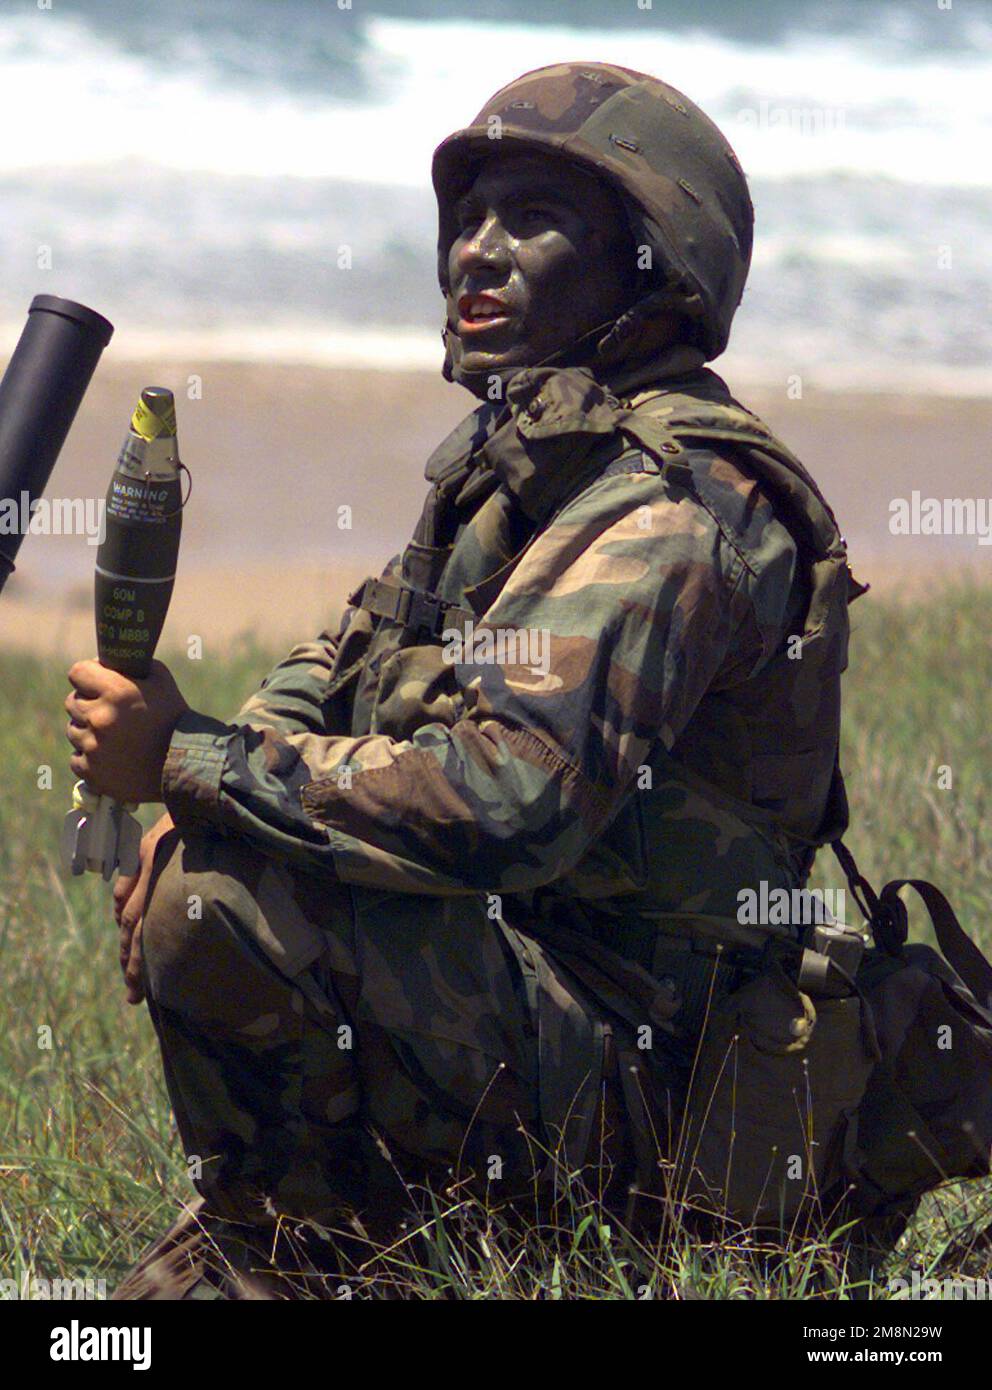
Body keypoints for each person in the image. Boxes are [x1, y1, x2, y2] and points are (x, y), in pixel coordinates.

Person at [64, 63, 862, 1299]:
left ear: (652, 265)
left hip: (652, 1090)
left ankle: (335, 1248)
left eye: (531, 219)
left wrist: (189, 763)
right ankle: (304, 1241)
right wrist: (197, 787)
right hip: (528, 1009)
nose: (473, 256)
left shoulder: (671, 508)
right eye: (468, 219)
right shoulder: (517, 468)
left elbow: (505, 800)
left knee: (221, 899)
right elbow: (335, 662)